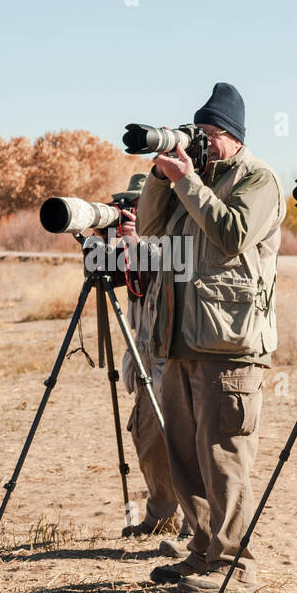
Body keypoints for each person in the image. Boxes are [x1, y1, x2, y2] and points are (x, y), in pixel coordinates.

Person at [135, 82, 284, 593]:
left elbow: (232, 233)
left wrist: (190, 181)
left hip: (230, 344)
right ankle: (201, 552)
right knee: (185, 456)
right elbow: (150, 227)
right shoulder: (188, 181)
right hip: (179, 339)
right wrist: (162, 176)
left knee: (223, 456)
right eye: (196, 133)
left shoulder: (257, 178)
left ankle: (233, 565)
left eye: (210, 134)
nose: (201, 142)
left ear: (233, 136)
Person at [113, 172, 191, 556]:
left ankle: (196, 526)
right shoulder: (130, 247)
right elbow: (118, 275)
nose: (132, 214)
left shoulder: (172, 242)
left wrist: (138, 242)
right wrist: (100, 243)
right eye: (128, 208)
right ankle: (160, 515)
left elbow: (165, 266)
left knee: (186, 443)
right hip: (142, 361)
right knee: (147, 441)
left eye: (137, 207)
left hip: (172, 357)